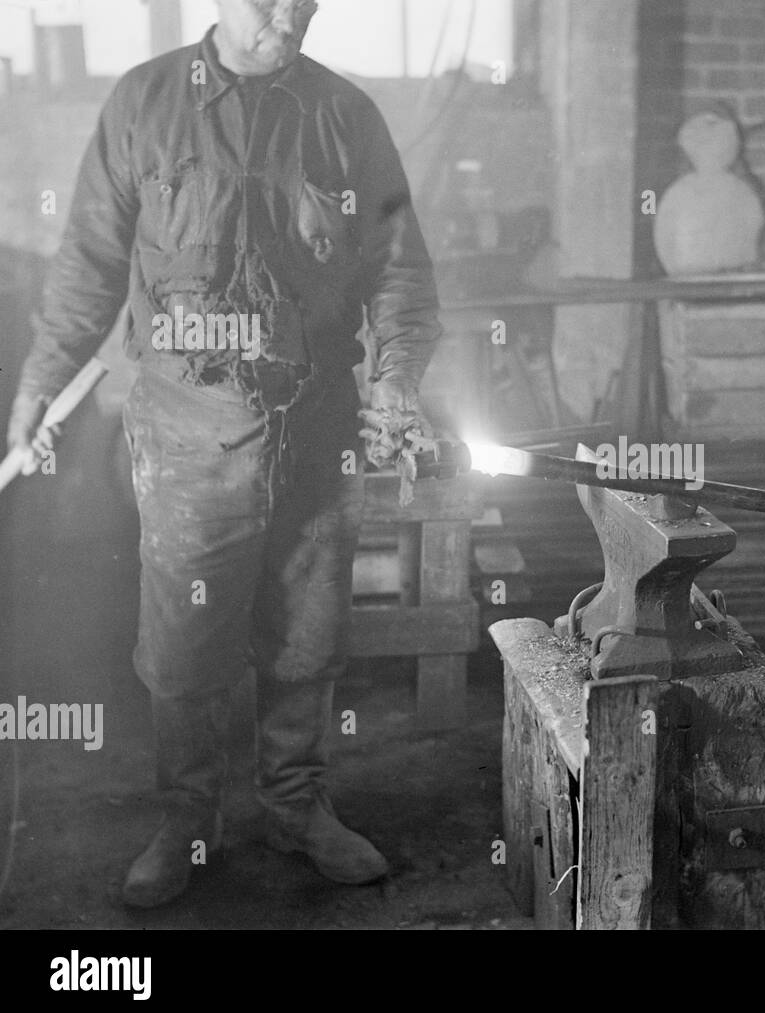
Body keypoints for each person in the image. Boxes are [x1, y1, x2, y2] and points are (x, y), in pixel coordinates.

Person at [4, 0, 443, 908]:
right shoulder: (145, 103)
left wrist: (396, 385)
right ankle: (188, 820)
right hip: (187, 433)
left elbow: (399, 272)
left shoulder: (345, 116)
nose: (286, 12)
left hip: (319, 427)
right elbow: (88, 263)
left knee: (309, 636)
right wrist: (37, 390)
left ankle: (295, 805)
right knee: (184, 647)